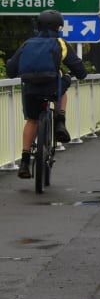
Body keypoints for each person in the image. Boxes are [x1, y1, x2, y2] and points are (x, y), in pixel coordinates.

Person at [6, 10, 88, 178]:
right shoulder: (60, 43)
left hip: (31, 89)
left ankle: (24, 161)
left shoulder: (27, 44)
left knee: (32, 120)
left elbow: (11, 71)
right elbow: (80, 71)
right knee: (63, 82)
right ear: (59, 27)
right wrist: (72, 74)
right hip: (52, 87)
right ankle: (60, 121)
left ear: (38, 26)